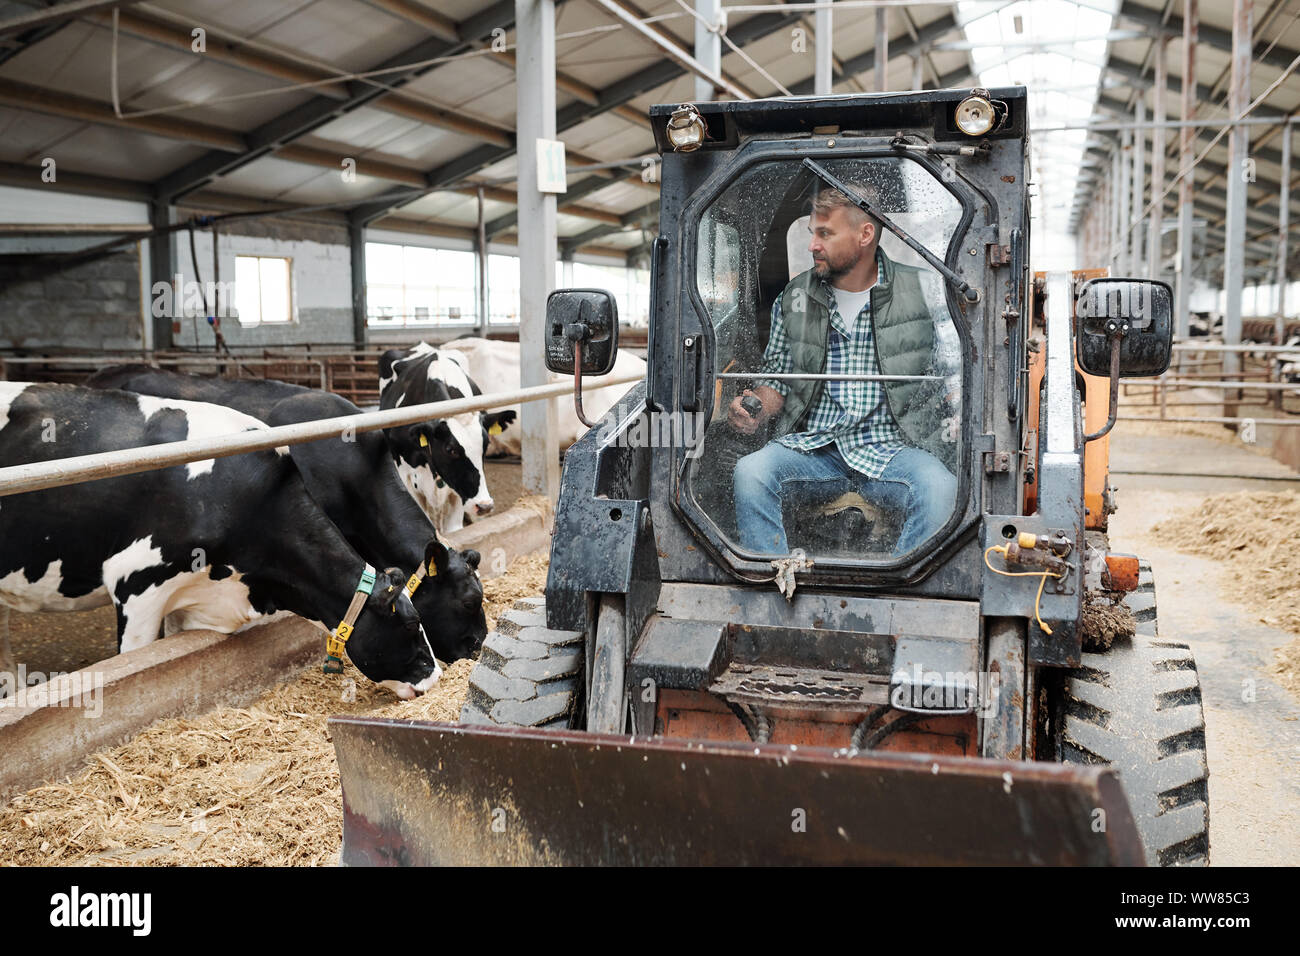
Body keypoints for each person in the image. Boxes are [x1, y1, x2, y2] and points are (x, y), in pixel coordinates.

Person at [728, 180, 958, 557]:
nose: (812, 245)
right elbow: (777, 381)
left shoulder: (923, 291)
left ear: (865, 233)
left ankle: (896, 598)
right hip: (817, 448)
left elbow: (953, 373)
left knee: (941, 490)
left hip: (894, 449)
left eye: (825, 233)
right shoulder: (795, 297)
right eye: (811, 233)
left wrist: (956, 403)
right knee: (751, 473)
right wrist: (753, 407)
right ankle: (772, 581)